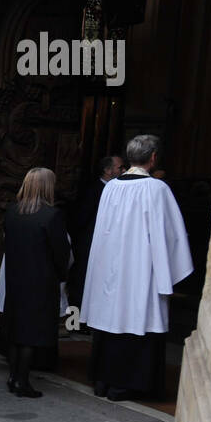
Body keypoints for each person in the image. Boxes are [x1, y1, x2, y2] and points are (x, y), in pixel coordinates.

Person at [81, 135, 192, 402]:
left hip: (111, 269)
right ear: (153, 157)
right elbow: (171, 235)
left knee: (110, 322)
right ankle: (125, 385)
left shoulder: (111, 187)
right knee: (136, 322)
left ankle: (104, 381)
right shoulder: (157, 189)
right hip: (141, 270)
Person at [0, 168, 70, 398]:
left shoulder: (13, 211)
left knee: (17, 329)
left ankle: (13, 376)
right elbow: (61, 252)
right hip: (41, 281)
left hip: (16, 278)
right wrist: (61, 275)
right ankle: (22, 381)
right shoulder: (51, 215)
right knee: (31, 332)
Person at [68, 155, 125, 319]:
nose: (123, 170)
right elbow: (82, 218)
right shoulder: (94, 190)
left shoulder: (114, 189)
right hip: (87, 245)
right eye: (119, 167)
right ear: (108, 170)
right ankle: (75, 323)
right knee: (80, 283)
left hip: (103, 246)